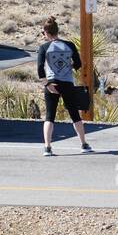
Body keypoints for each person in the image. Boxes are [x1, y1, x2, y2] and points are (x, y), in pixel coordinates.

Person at [36, 16, 91, 156]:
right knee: (74, 114)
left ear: (46, 33)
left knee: (49, 116)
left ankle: (47, 147)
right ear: (57, 31)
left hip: (52, 83)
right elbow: (78, 63)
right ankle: (84, 144)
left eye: (43, 33)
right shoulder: (69, 45)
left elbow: (40, 68)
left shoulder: (44, 47)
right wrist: (68, 67)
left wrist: (47, 84)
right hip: (67, 83)